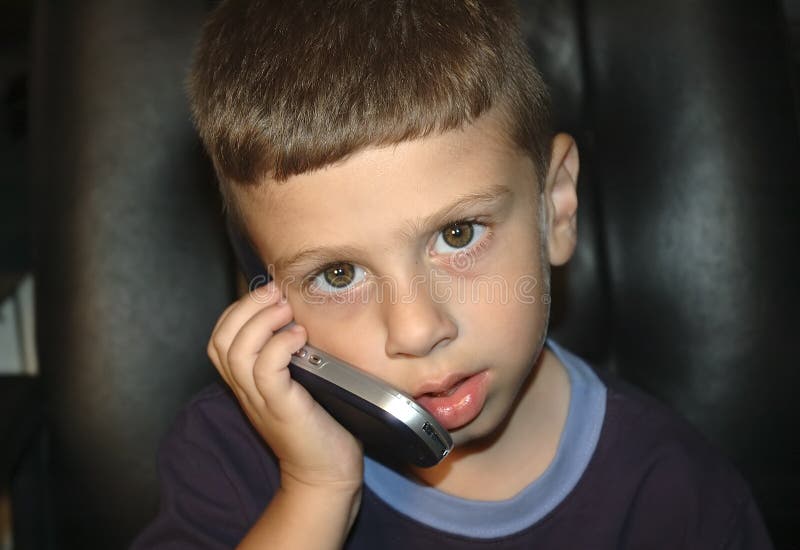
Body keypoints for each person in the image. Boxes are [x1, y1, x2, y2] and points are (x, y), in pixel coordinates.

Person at [132, 0, 773, 548]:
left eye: (457, 235)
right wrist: (316, 493)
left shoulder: (678, 501)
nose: (416, 329)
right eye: (337, 274)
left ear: (555, 207)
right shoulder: (227, 459)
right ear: (265, 289)